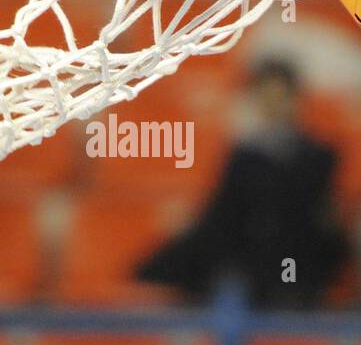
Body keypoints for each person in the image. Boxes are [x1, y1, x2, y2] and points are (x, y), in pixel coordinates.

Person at [136, 59, 346, 307]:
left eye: (280, 98)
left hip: (297, 256)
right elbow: (224, 214)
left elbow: (316, 216)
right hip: (248, 256)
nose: (274, 107)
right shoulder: (244, 156)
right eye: (268, 99)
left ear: (295, 100)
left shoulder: (319, 156)